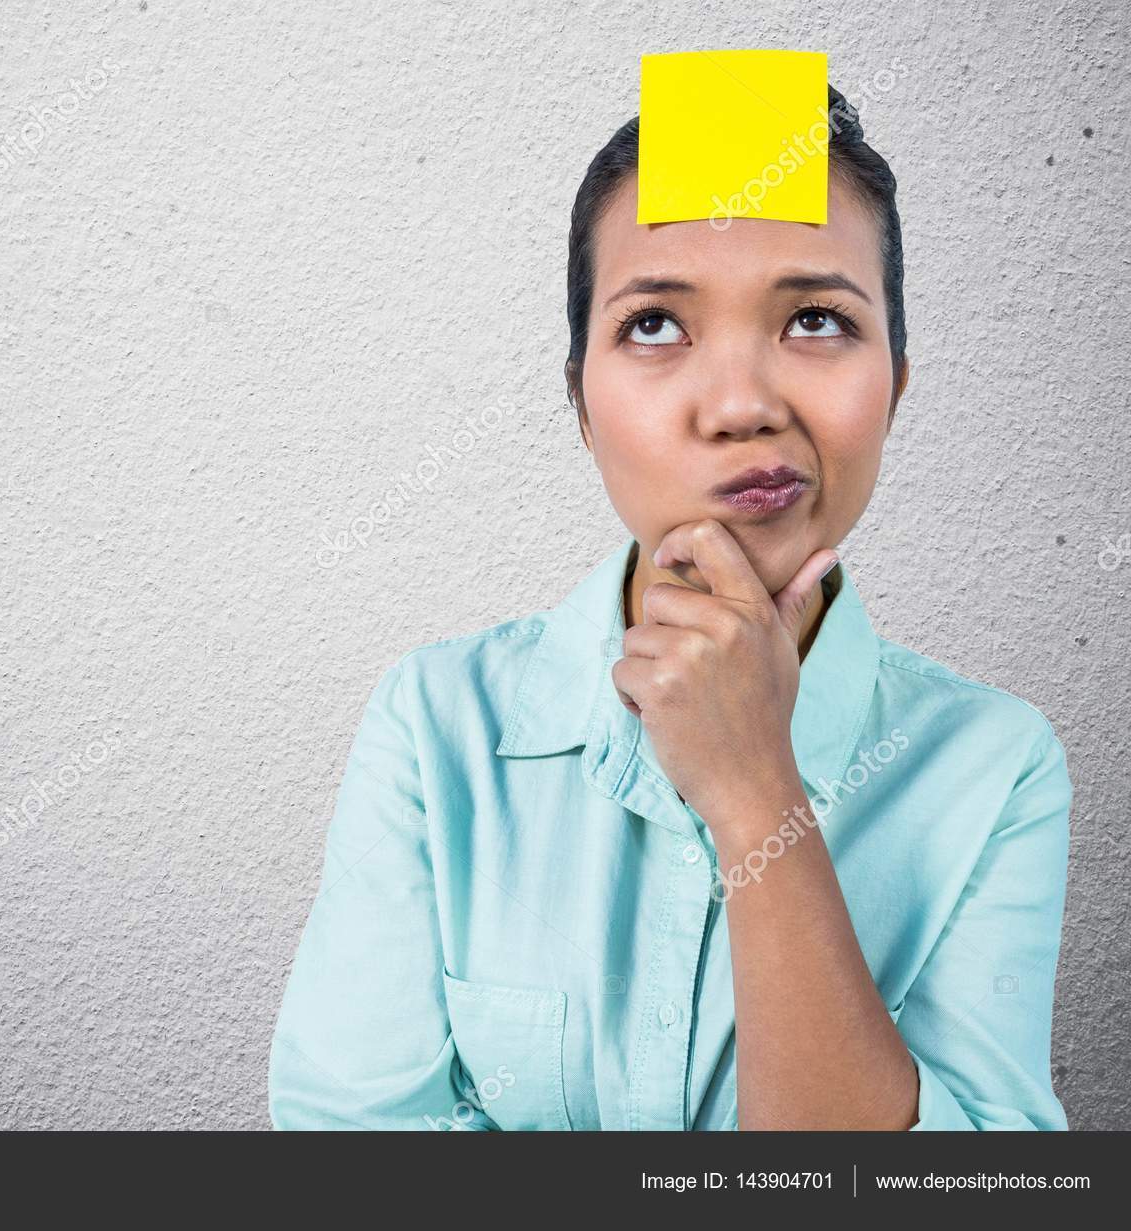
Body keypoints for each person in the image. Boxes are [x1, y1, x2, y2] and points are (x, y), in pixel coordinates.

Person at [268, 86, 1071, 1131]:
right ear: (580, 400)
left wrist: (753, 793)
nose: (740, 404)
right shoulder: (435, 726)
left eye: (816, 319)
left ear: (898, 383)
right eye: (653, 324)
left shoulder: (992, 765)